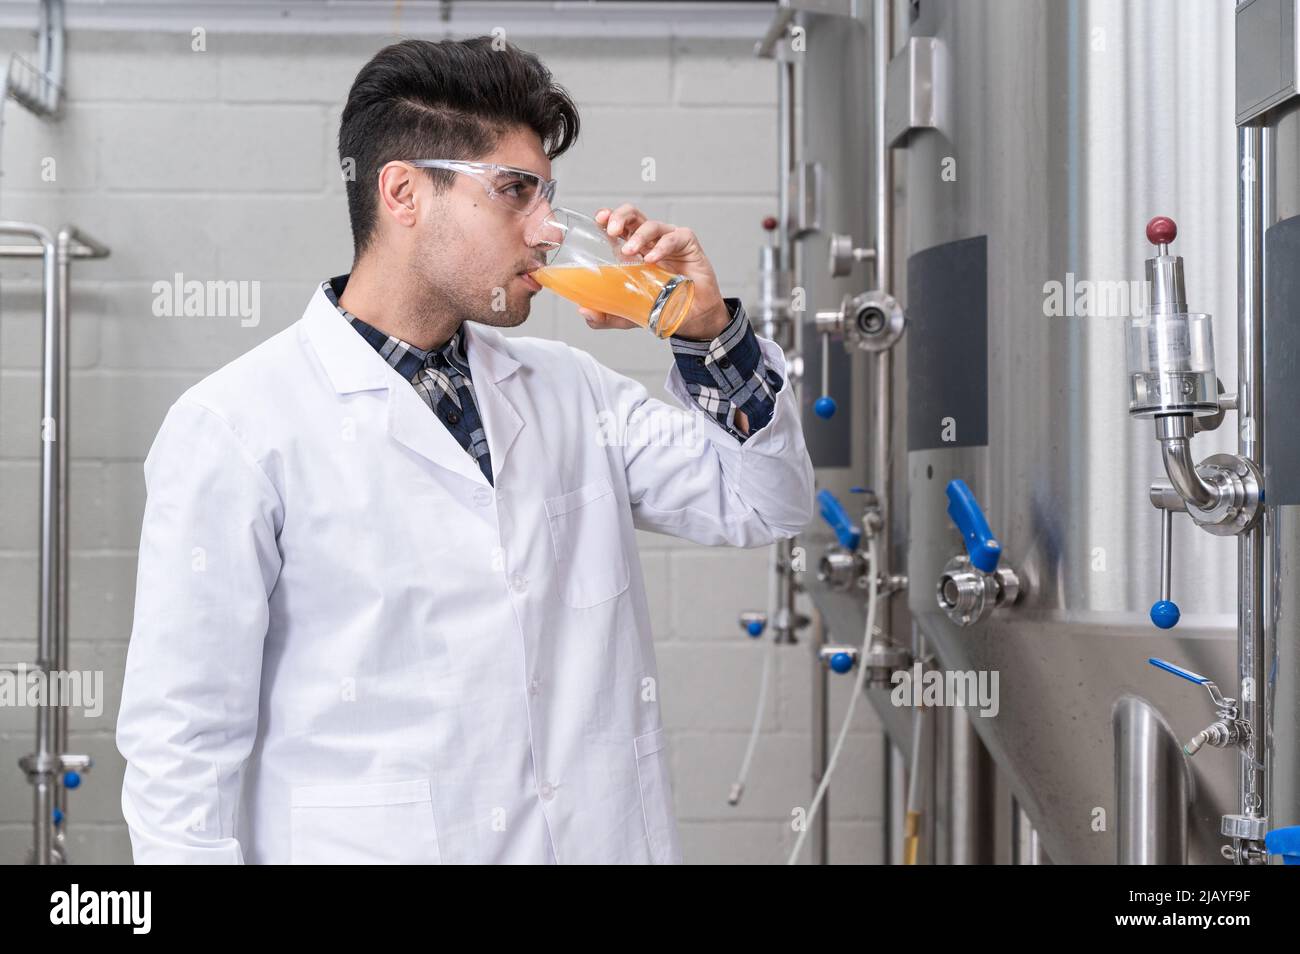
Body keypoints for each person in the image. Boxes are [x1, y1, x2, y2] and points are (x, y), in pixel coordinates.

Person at [116, 35, 814, 864]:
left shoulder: (571, 391)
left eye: (548, 196)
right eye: (515, 192)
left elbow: (767, 504)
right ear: (403, 192)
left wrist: (708, 333)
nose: (548, 231)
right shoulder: (235, 427)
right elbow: (182, 749)